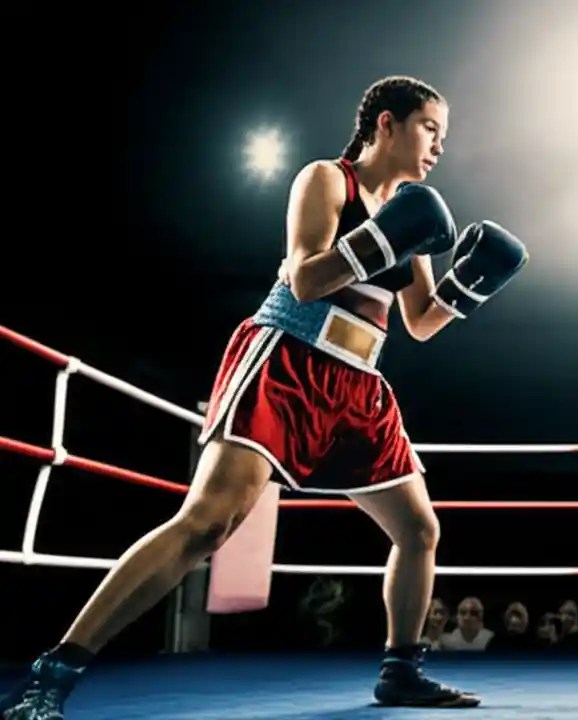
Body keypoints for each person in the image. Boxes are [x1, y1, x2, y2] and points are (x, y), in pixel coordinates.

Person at [2, 75, 528, 719]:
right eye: (429, 128)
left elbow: (417, 322)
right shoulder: (326, 180)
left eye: (443, 135)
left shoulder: (416, 210)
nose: (438, 146)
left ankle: (401, 670)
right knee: (208, 524)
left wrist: (466, 288)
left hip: (360, 385)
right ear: (386, 124)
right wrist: (379, 241)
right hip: (288, 359)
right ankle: (50, 675)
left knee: (419, 530)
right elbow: (305, 278)